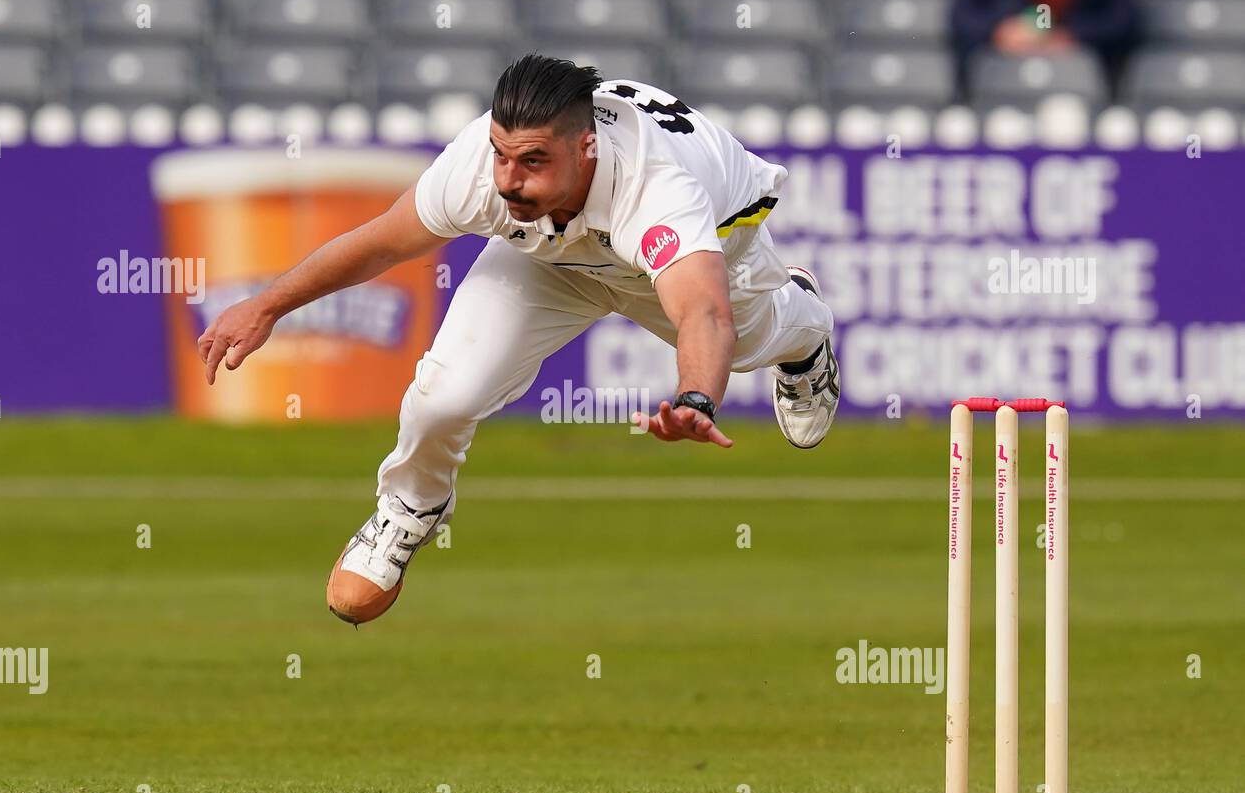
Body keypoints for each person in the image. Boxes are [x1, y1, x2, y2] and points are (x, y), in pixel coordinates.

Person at [197, 54, 839, 624]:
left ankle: (806, 328)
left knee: (753, 345)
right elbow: (378, 245)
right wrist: (268, 305)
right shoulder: (482, 167)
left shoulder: (659, 188)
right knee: (445, 392)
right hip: (550, 259)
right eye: (503, 155)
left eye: (533, 161)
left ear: (587, 148)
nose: (508, 179)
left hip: (699, 254)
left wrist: (697, 399)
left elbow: (703, 315)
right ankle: (410, 507)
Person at [951, 0, 1140, 93]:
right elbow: (962, 15)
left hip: (1078, 83)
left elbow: (1123, 21)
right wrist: (999, 32)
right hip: (1004, 73)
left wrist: (1071, 36)